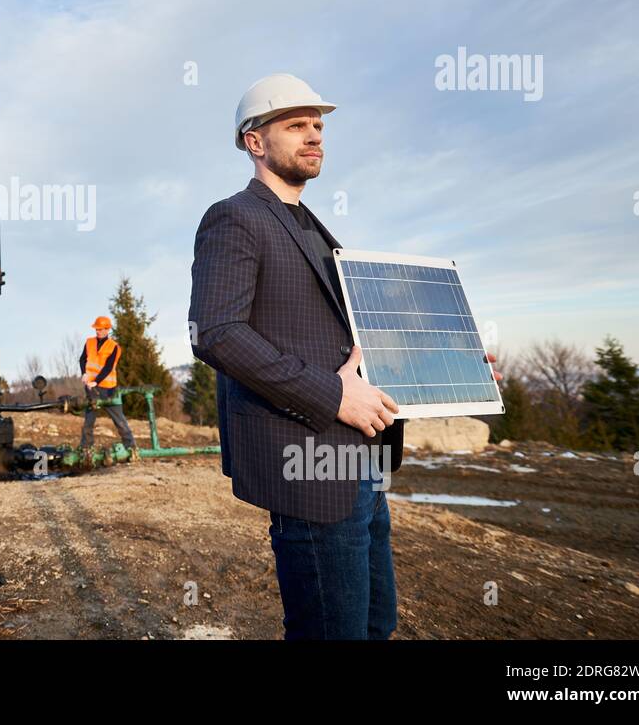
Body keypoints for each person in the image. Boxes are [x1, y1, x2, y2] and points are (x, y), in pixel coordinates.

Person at [188, 72, 498, 640]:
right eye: (295, 125)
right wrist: (333, 396)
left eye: (319, 126)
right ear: (254, 141)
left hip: (362, 464)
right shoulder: (235, 217)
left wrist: (447, 365)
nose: (314, 136)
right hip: (306, 465)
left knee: (375, 623)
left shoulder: (315, 231)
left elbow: (352, 341)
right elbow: (217, 332)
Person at [77, 316, 137, 456]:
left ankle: (131, 448)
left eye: (100, 329)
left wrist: (96, 381)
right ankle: (86, 450)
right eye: (96, 329)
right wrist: (84, 374)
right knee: (89, 420)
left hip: (109, 389)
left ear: (107, 329)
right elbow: (82, 359)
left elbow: (108, 367)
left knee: (119, 420)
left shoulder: (114, 347)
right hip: (91, 388)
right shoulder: (89, 342)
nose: (98, 331)